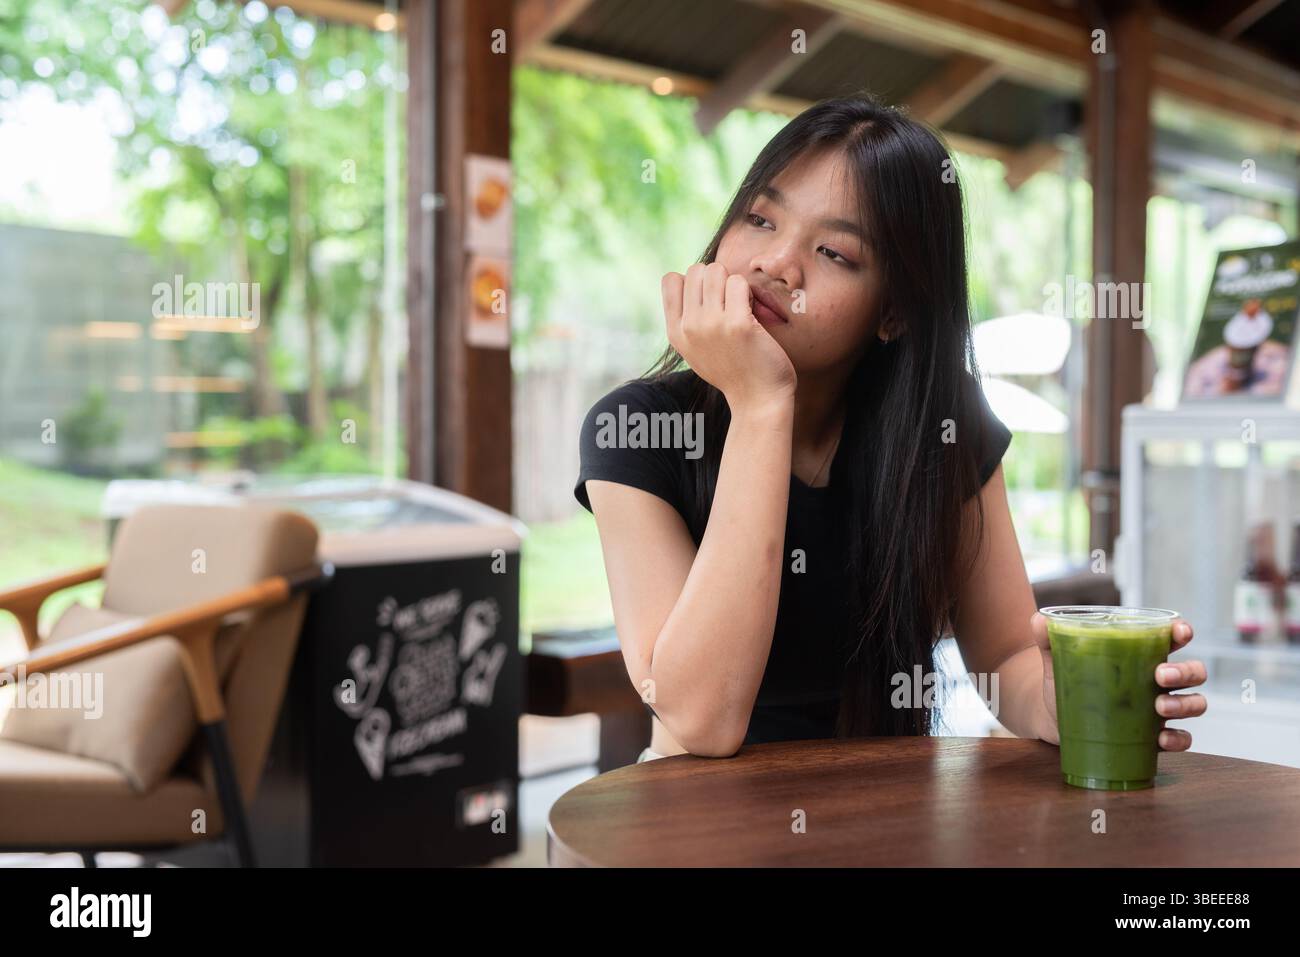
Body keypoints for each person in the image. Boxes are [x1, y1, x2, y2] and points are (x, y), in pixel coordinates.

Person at [573, 93, 1206, 762]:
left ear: (895, 313)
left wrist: (1061, 699)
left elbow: (1010, 658)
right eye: (759, 218)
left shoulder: (941, 426)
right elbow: (701, 718)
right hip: (700, 832)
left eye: (835, 253)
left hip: (890, 820)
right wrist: (761, 406)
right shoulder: (636, 427)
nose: (776, 263)